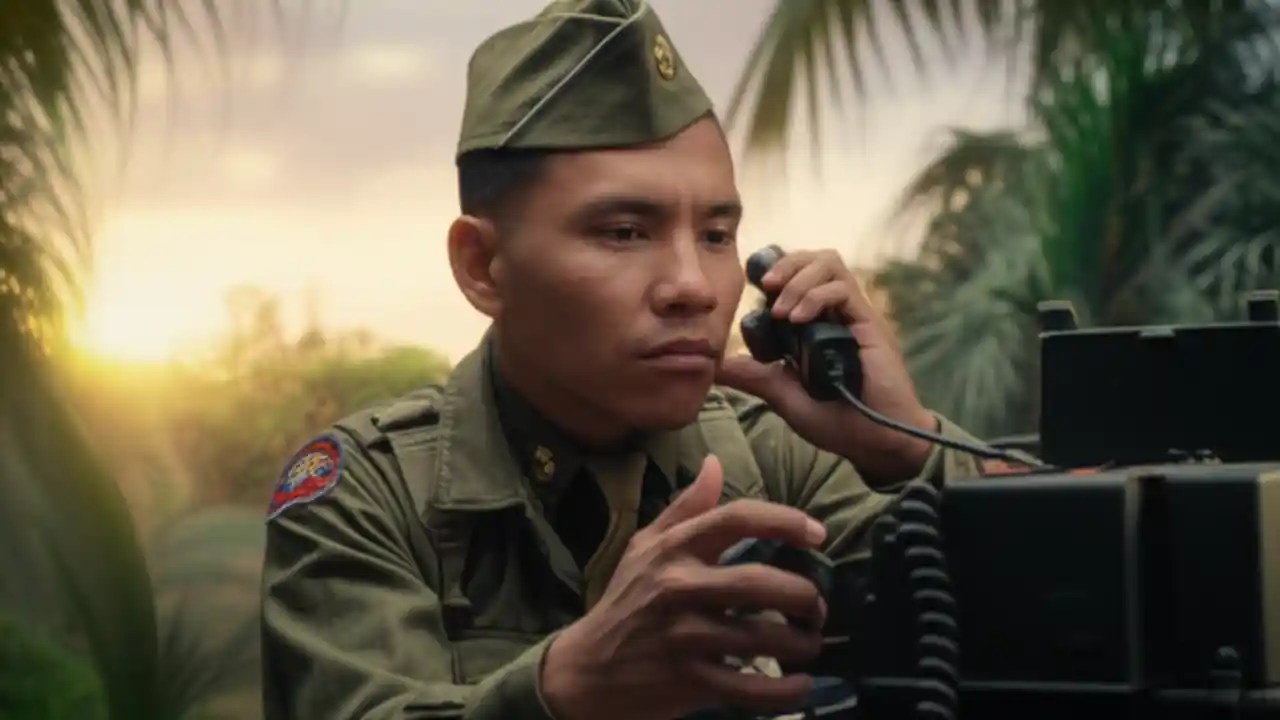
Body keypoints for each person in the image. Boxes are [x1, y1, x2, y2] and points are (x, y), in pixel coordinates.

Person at [259, 1, 999, 718]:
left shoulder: (778, 457)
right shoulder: (369, 498)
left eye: (716, 236)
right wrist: (568, 689)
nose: (693, 287)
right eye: (623, 232)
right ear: (483, 266)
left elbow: (1043, 621)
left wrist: (909, 445)